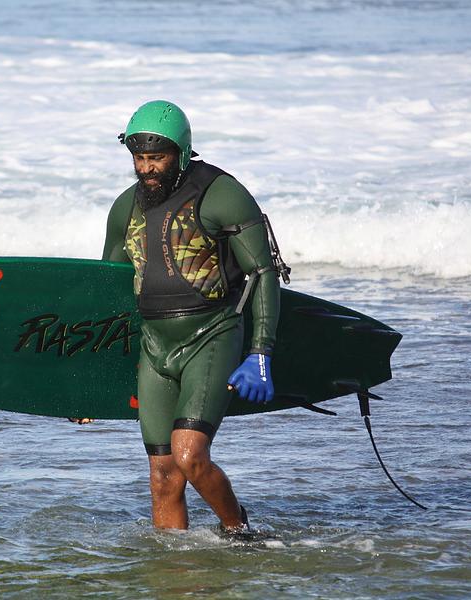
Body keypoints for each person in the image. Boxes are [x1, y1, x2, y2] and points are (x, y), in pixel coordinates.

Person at [102, 100, 285, 531]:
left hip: (212, 333)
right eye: (140, 159)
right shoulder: (124, 208)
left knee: (189, 455)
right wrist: (91, 375)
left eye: (157, 158)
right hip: (154, 346)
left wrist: (261, 352)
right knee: (163, 474)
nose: (147, 168)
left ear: (182, 152)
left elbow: (263, 273)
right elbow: (108, 292)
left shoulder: (222, 193)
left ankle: (239, 531)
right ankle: (175, 569)